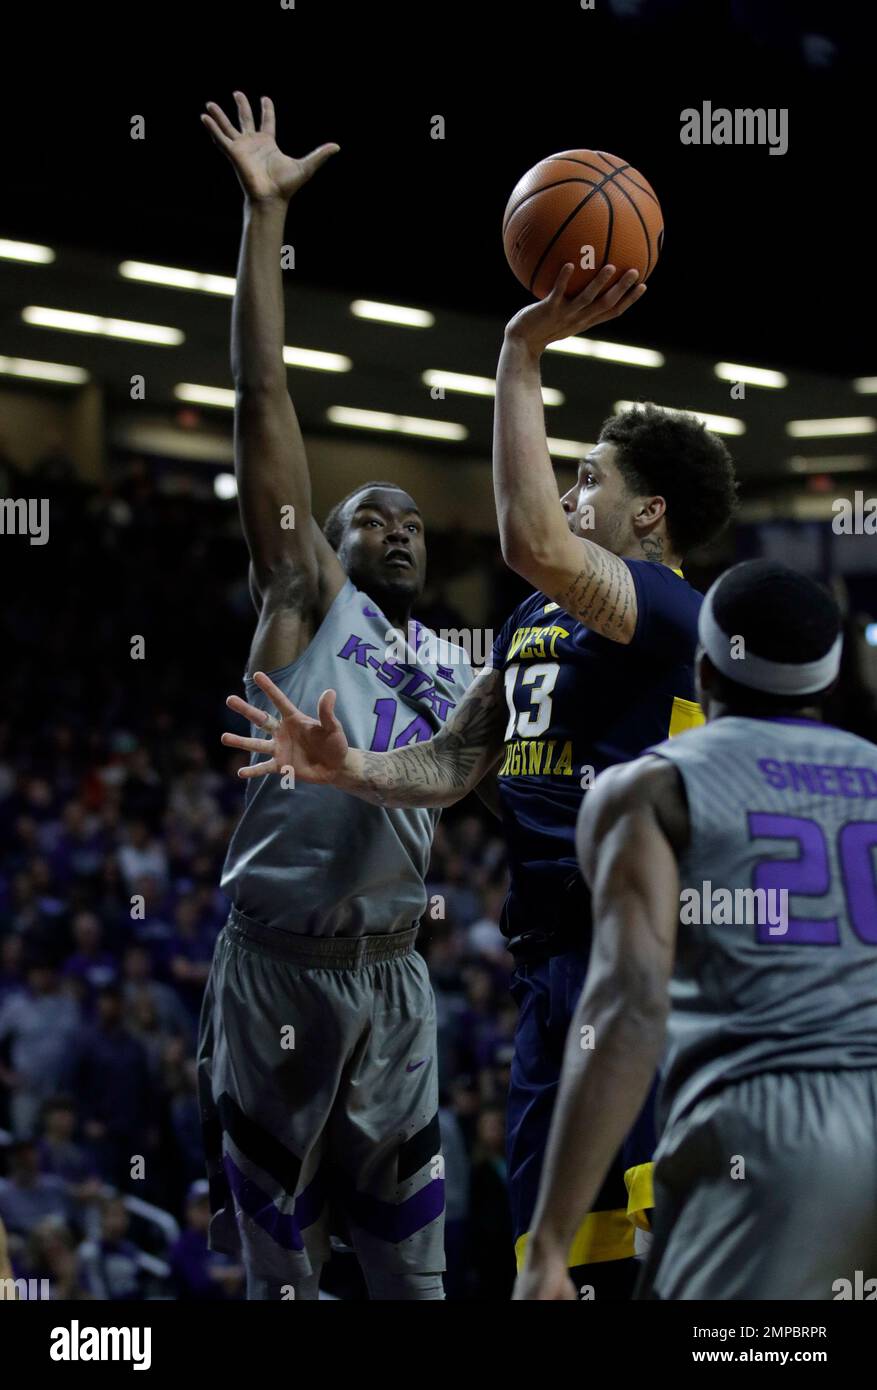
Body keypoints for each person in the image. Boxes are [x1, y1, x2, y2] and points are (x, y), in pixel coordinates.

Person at [221, 262, 738, 1295]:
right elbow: (459, 761)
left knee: (620, 1262)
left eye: (592, 475)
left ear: (650, 517)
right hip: (549, 965)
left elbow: (531, 538)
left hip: (634, 960)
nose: (573, 487)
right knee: (537, 1263)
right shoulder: (533, 624)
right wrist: (350, 764)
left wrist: (520, 350)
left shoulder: (674, 610)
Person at [198, 91, 478, 1301]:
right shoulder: (306, 598)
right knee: (281, 1277)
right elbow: (265, 401)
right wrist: (265, 220)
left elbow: (470, 786)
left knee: (413, 1274)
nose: (399, 529)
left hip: (398, 982)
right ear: (336, 537)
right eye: (375, 515)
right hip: (280, 972)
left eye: (414, 519)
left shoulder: (465, 663)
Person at [515, 561, 877, 1299]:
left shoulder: (652, 786)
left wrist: (549, 1242)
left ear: (704, 668)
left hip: (765, 1132)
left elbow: (629, 1005)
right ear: (827, 682)